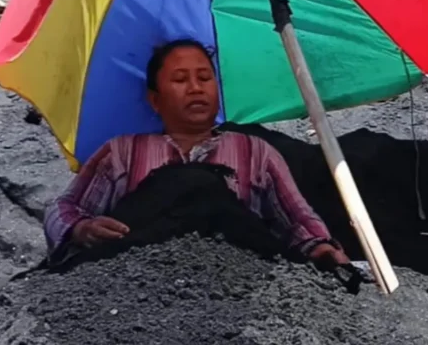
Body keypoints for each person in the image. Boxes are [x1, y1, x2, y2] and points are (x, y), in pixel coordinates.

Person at [43, 39, 349, 269]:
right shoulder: (121, 152)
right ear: (154, 99)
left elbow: (298, 219)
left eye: (204, 78)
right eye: (180, 80)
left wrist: (319, 246)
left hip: (241, 285)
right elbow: (64, 207)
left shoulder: (256, 152)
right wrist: (81, 229)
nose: (195, 88)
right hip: (136, 286)